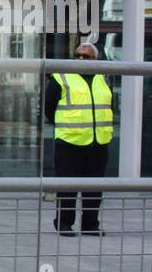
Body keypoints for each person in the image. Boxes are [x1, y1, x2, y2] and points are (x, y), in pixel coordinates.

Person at [45, 41, 113, 236]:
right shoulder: (61, 76)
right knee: (67, 187)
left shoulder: (104, 77)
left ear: (96, 59)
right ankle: (64, 223)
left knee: (94, 188)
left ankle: (90, 225)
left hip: (98, 141)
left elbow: (109, 105)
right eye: (78, 55)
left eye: (86, 56)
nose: (81, 59)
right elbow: (49, 107)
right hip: (69, 141)